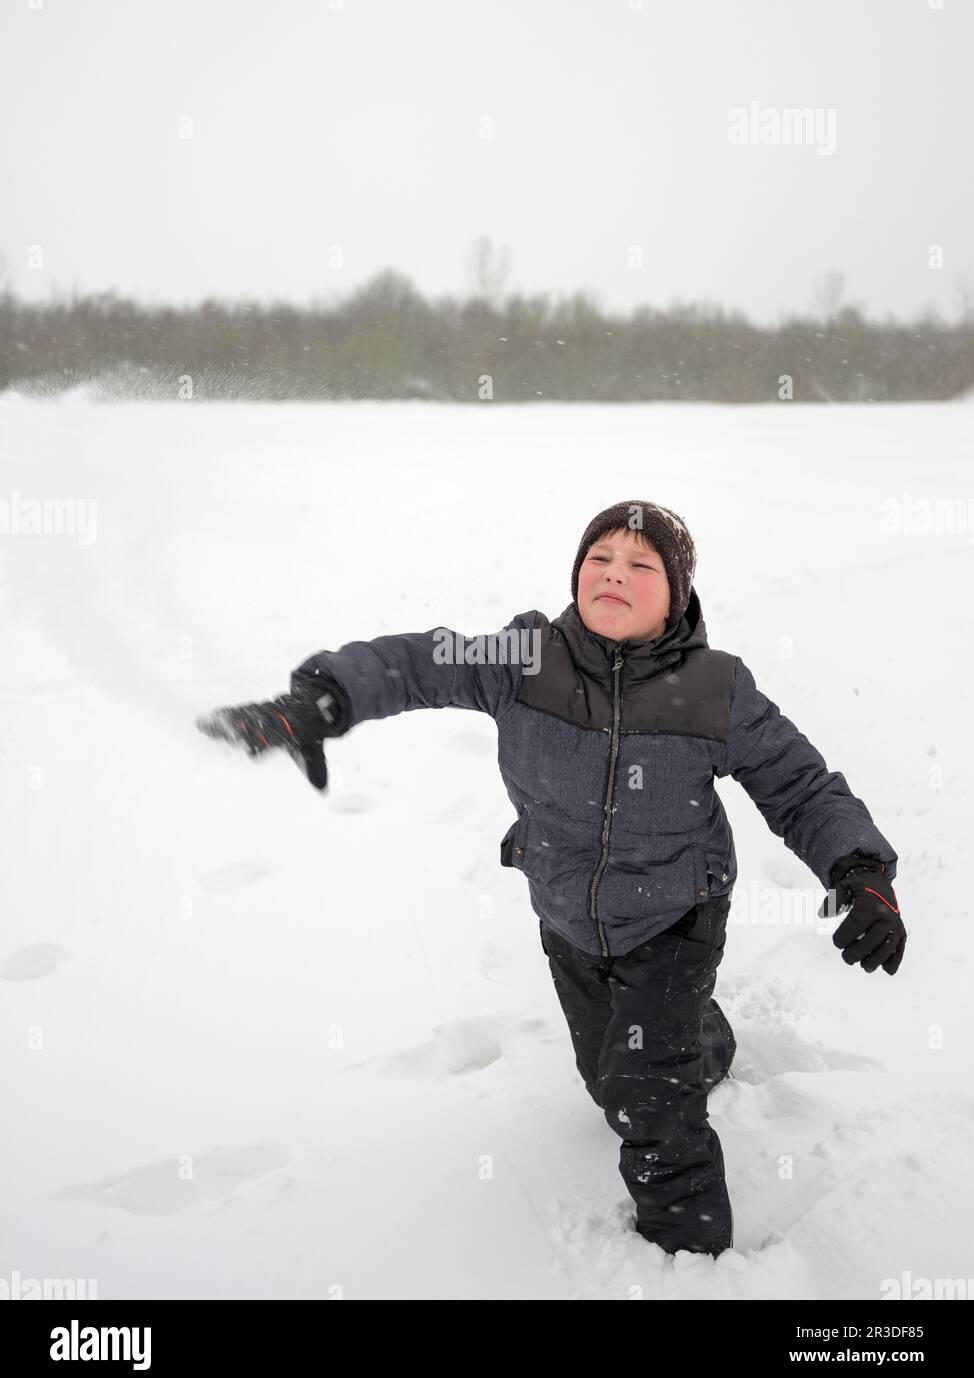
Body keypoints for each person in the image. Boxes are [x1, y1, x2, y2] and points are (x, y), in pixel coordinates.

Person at [196, 499, 907, 1257]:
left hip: (675, 919)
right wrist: (326, 698)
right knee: (609, 1082)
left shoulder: (715, 691)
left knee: (646, 1098)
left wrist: (861, 871)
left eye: (641, 565)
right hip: (566, 911)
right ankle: (701, 1042)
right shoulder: (526, 660)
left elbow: (799, 785)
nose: (613, 573)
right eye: (600, 557)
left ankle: (690, 1253)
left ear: (678, 594)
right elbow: (416, 663)